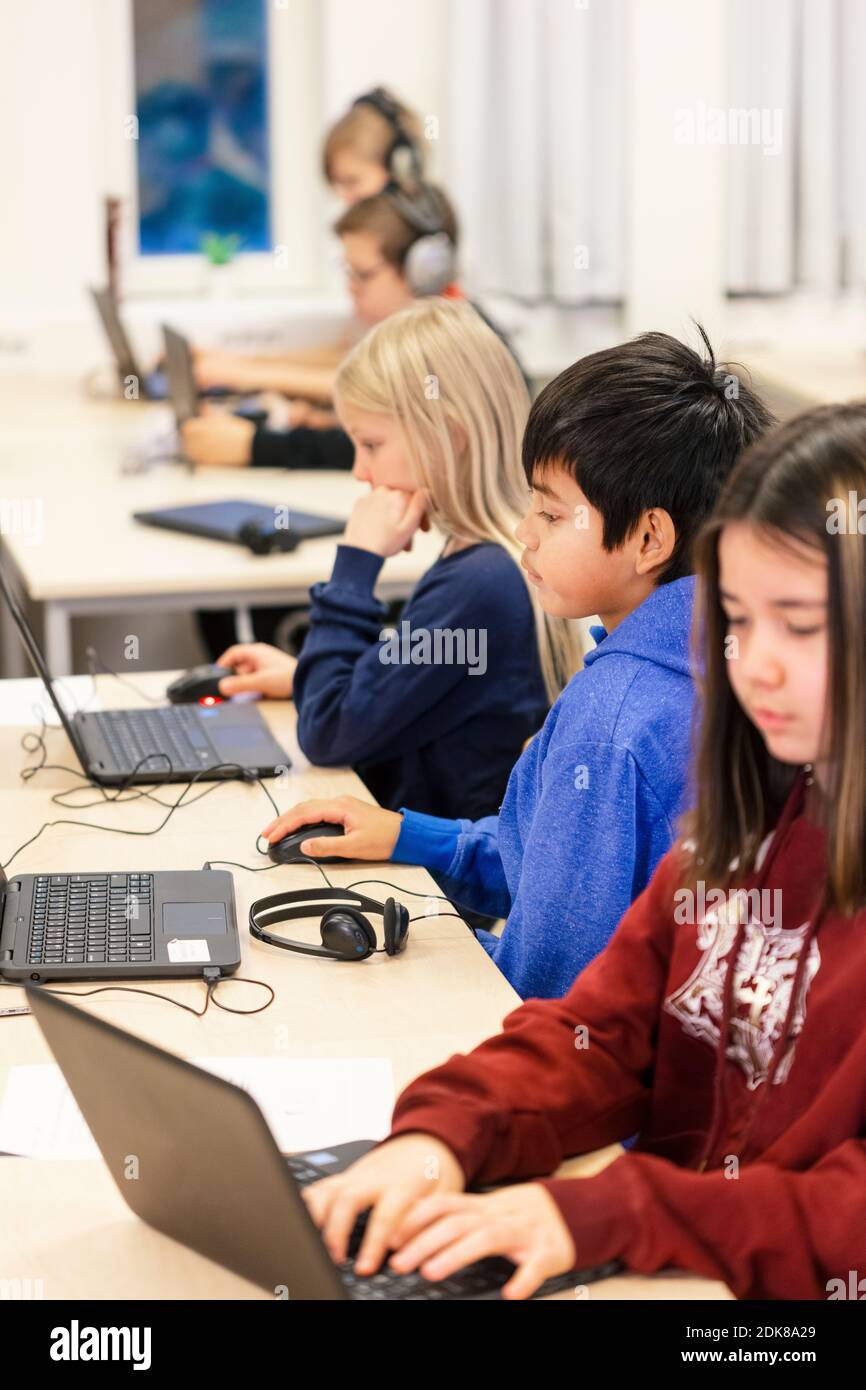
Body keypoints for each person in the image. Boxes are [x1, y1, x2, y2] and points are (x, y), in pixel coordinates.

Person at [299, 401, 866, 1302]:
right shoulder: (754, 812)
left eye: (796, 626)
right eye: (739, 621)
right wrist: (441, 1137)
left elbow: (847, 1222)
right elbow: (597, 1033)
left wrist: (606, 1214)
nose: (752, 666)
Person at [262, 331, 773, 998]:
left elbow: (546, 993)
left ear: (649, 538)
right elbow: (553, 862)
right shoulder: (731, 656)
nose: (526, 532)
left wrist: (414, 941)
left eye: (553, 514)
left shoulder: (614, 715)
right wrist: (410, 837)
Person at [217, 298, 580, 821]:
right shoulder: (492, 559)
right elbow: (413, 691)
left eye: (370, 444)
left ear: (448, 438)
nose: (360, 472)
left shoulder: (479, 582)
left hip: (445, 891)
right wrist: (306, 676)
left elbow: (327, 731)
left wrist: (358, 563)